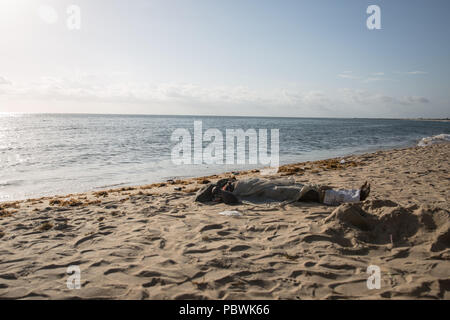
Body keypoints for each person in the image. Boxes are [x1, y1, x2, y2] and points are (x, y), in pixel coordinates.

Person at [195, 177, 370, 206]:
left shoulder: (225, 185)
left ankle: (352, 194)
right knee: (296, 192)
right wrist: (219, 189)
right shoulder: (223, 192)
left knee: (302, 187)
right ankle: (354, 196)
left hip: (257, 184)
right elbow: (233, 200)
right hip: (255, 189)